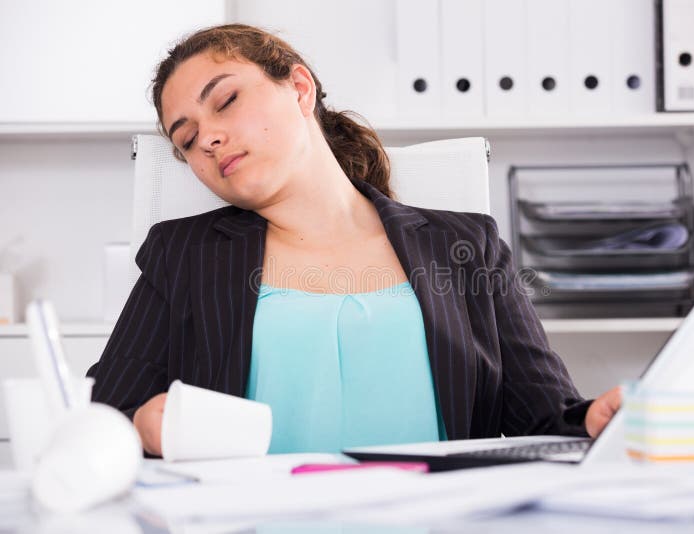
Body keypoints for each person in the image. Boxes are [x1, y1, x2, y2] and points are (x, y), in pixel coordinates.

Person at [87, 24, 621, 457]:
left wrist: (594, 418)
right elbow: (108, 411)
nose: (208, 138)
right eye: (186, 138)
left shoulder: (465, 245)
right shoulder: (182, 254)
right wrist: (142, 427)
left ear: (299, 88)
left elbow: (546, 413)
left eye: (225, 101)